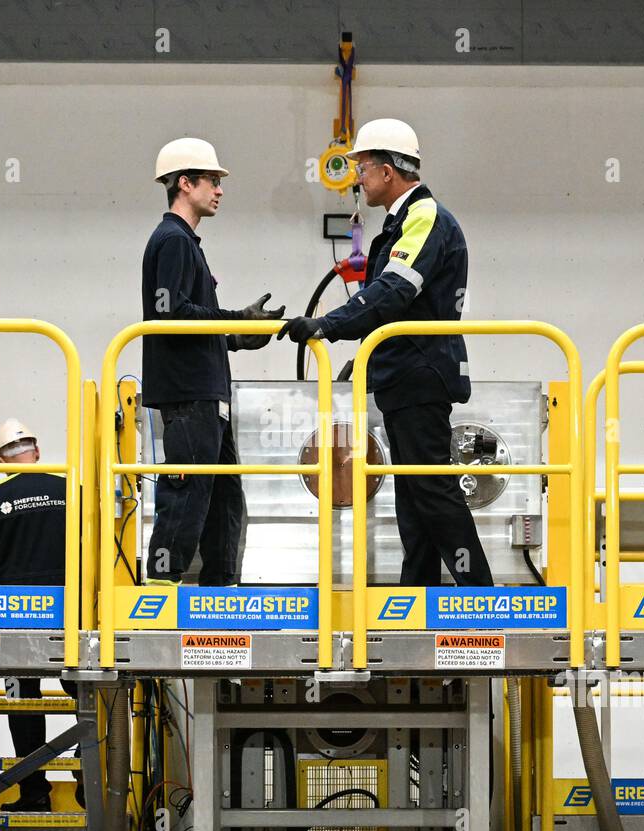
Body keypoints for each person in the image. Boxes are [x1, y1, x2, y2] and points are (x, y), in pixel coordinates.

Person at [278, 118, 493, 587]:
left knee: (432, 490)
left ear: (389, 171)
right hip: (405, 373)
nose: (358, 176)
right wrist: (367, 359)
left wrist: (326, 324)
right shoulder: (403, 222)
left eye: (363, 167)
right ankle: (416, 599)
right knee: (414, 496)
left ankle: (482, 599)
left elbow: (394, 291)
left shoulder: (424, 217)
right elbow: (395, 303)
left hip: (420, 373)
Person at [141, 136, 285, 586]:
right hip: (189, 395)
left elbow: (193, 321)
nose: (220, 190)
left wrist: (237, 336)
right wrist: (234, 319)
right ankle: (161, 591)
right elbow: (170, 314)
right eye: (212, 181)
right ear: (185, 183)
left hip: (207, 394)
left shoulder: (187, 243)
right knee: (186, 493)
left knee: (223, 497)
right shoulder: (173, 241)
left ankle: (222, 588)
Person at [0, 418, 75, 811]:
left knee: (23, 702)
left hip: (18, 614)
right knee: (87, 692)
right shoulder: (69, 488)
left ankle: (35, 795)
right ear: (37, 450)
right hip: (71, 611)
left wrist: (6, 586)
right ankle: (87, 766)